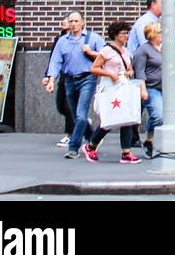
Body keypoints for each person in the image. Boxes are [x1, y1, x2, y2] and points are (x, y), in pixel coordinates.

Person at [42, 11, 104, 158]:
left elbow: (105, 55)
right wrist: (51, 80)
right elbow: (56, 61)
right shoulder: (62, 41)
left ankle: (73, 148)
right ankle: (92, 138)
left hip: (87, 78)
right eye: (71, 21)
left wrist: (91, 52)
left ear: (82, 23)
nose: (74, 24)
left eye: (76, 21)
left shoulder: (93, 38)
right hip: (69, 79)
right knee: (76, 115)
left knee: (81, 115)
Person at [83, 21, 140, 164]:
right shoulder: (106, 51)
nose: (126, 36)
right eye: (123, 33)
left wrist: (130, 71)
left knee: (127, 118)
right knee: (110, 119)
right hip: (110, 87)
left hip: (123, 86)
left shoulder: (125, 51)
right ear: (115, 35)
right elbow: (94, 68)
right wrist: (110, 74)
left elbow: (128, 67)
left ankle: (126, 152)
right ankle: (91, 145)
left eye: (127, 33)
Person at [132, 22, 164, 158]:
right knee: (158, 115)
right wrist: (143, 89)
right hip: (151, 87)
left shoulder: (165, 48)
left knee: (157, 115)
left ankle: (149, 140)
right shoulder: (143, 50)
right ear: (153, 34)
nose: (163, 34)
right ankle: (149, 139)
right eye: (160, 32)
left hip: (164, 87)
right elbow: (139, 71)